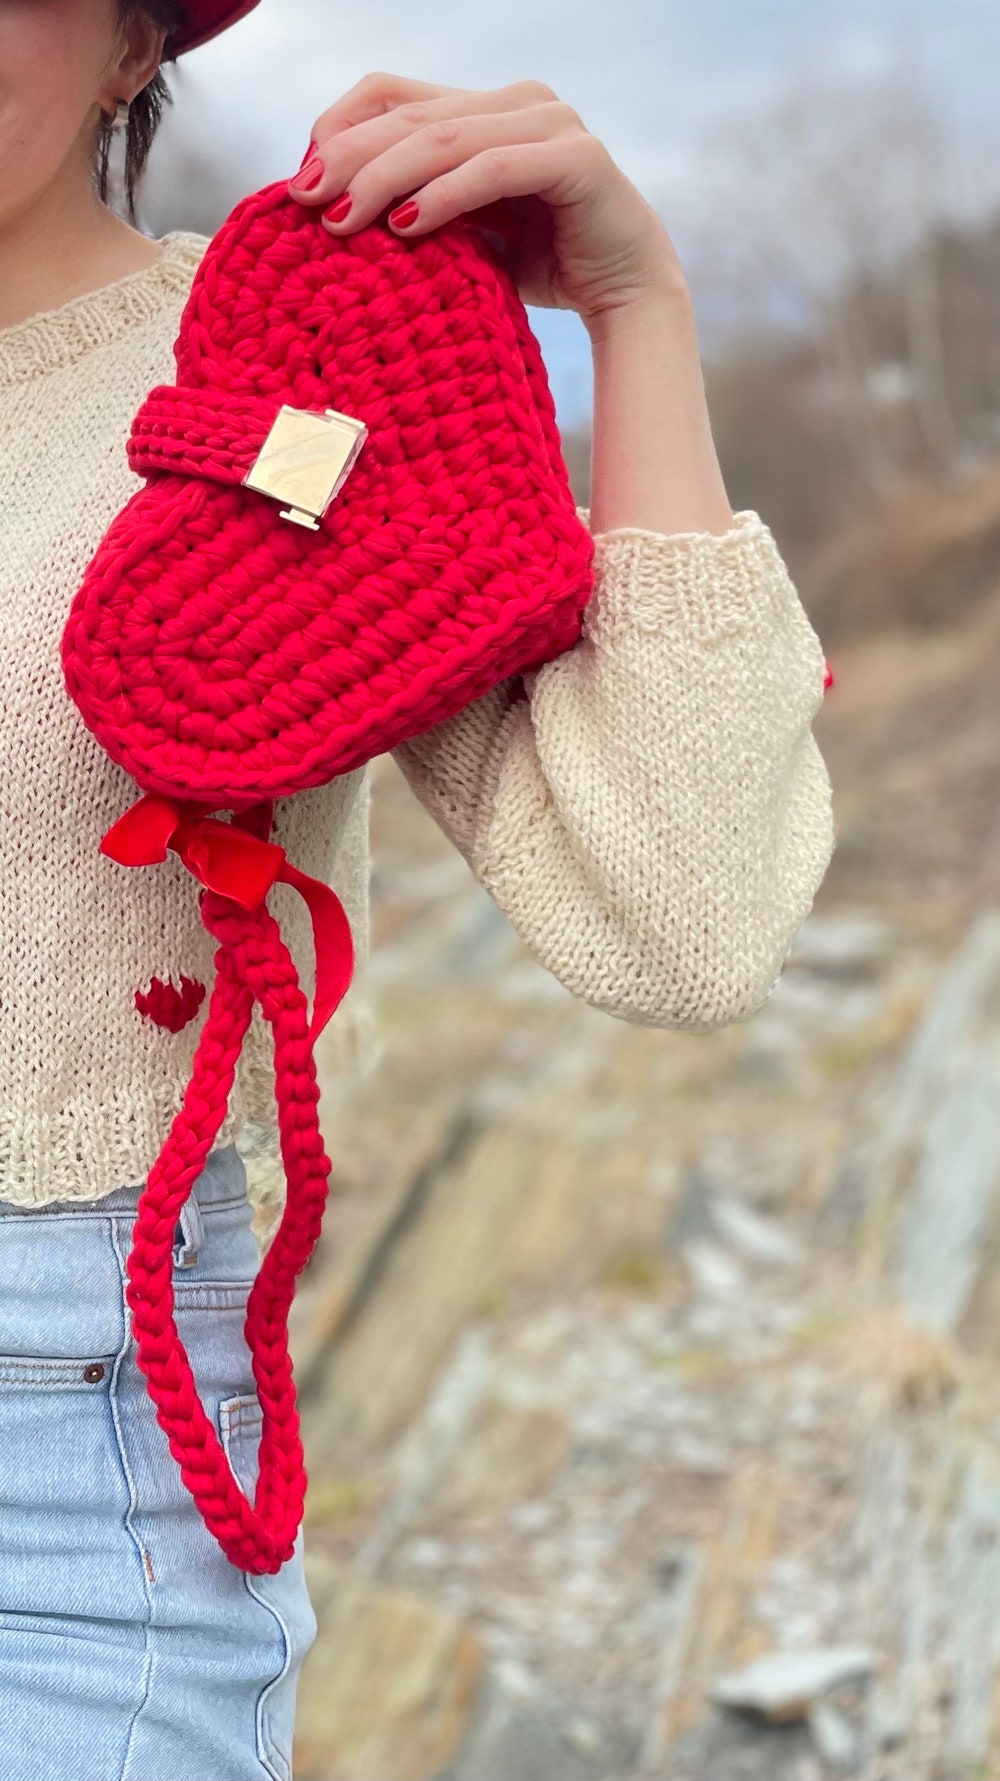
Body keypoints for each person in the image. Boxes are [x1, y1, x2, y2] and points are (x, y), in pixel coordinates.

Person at [0, 2, 836, 1777]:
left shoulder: (294, 363)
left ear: (138, 44)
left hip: (64, 1471)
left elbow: (683, 911)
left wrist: (641, 314)